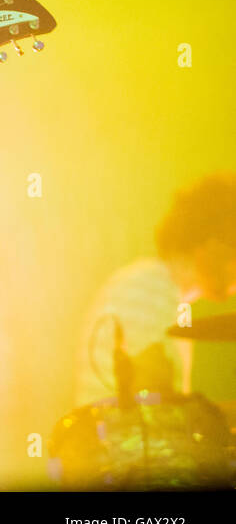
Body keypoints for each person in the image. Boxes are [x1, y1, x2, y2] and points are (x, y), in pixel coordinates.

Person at [74, 172, 236, 406]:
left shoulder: (163, 292)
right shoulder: (147, 289)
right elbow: (154, 411)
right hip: (120, 441)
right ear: (212, 242)